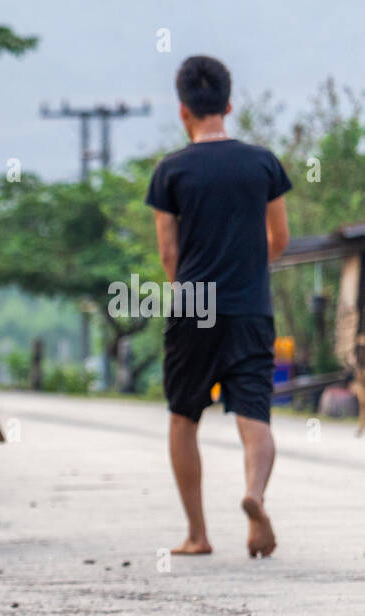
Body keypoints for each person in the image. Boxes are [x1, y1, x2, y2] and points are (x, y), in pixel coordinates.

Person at [146, 55, 291, 557]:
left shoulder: (172, 170)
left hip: (193, 305)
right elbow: (280, 237)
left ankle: (197, 534)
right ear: (228, 105)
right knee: (254, 413)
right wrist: (248, 271)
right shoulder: (262, 163)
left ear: (183, 110)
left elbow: (169, 252)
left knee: (184, 416)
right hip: (250, 305)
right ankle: (253, 495)